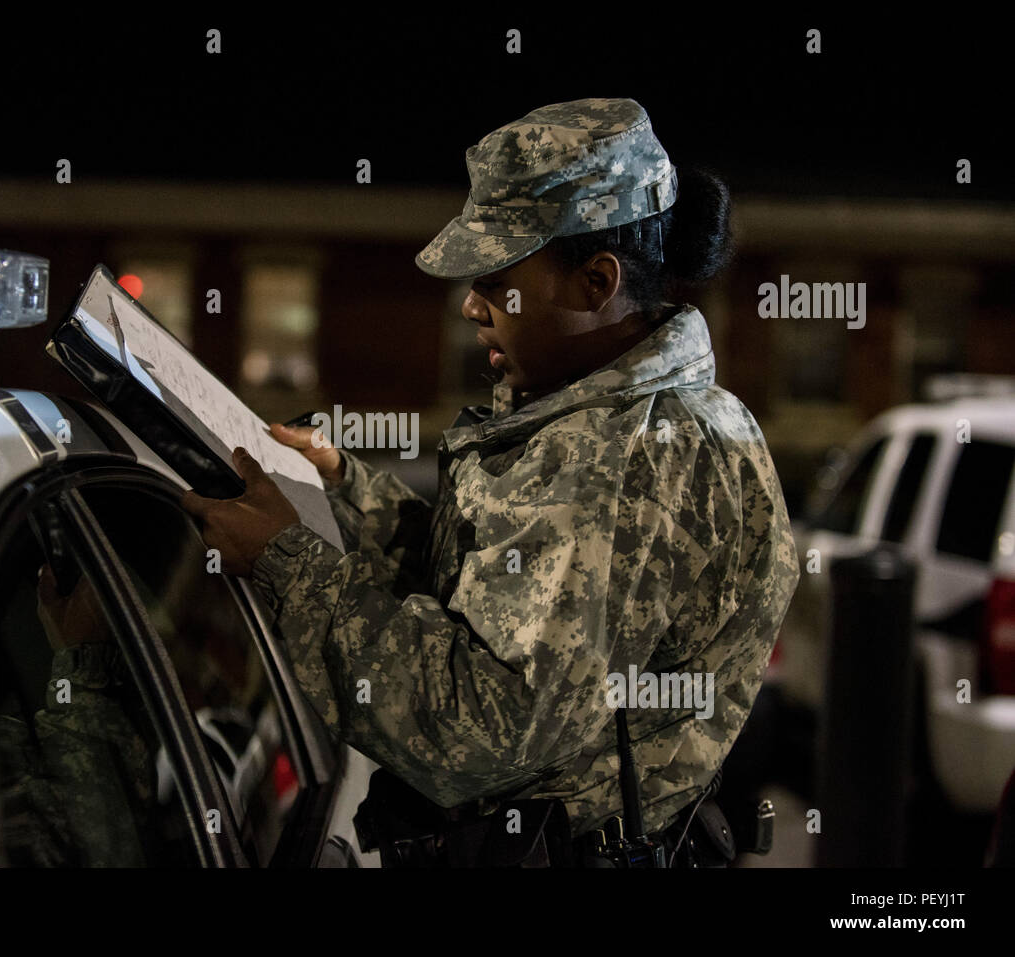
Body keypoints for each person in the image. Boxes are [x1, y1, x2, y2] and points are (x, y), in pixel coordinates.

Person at [180, 98, 802, 857]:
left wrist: (289, 563)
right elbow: (491, 594)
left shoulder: (626, 461)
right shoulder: (607, 421)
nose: (472, 305)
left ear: (595, 283)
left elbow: (480, 728)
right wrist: (343, 489)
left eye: (498, 279)